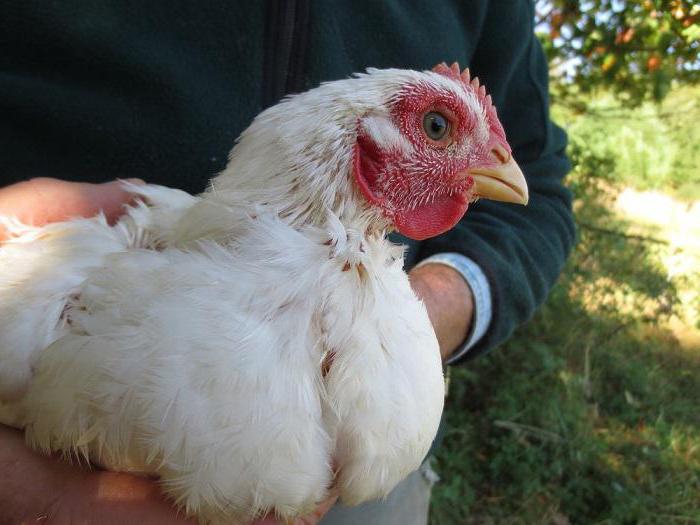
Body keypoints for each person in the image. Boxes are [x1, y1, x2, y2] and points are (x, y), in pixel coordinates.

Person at [0, 1, 575, 523]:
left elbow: (538, 196)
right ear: (361, 142)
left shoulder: (394, 356)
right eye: (436, 127)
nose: (499, 162)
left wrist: (407, 319)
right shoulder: (73, 288)